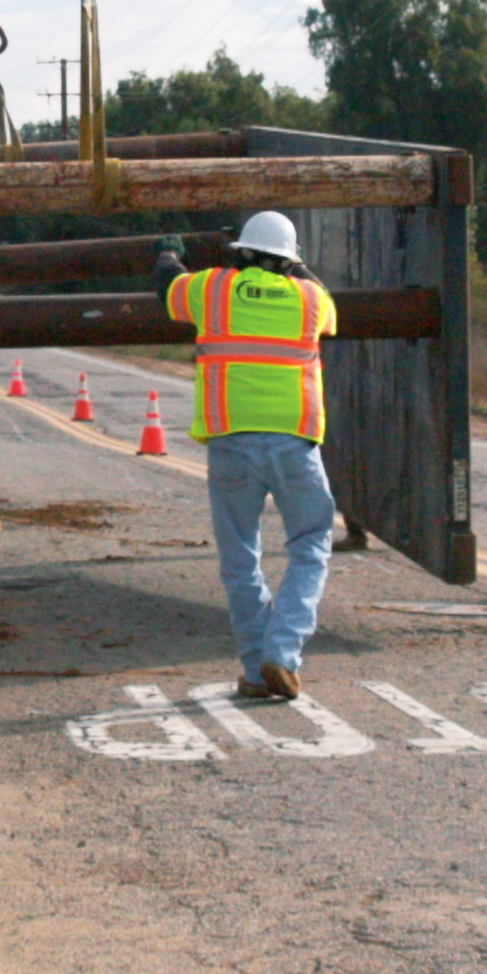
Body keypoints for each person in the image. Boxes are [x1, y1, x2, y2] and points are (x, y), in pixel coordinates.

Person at [162, 211, 341, 702]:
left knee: (241, 558)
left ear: (239, 253)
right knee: (310, 545)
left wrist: (167, 253)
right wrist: (296, 269)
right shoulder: (311, 299)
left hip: (231, 443)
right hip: (294, 442)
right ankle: (281, 655)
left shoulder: (214, 289)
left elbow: (167, 288)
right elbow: (324, 302)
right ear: (291, 261)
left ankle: (258, 672)